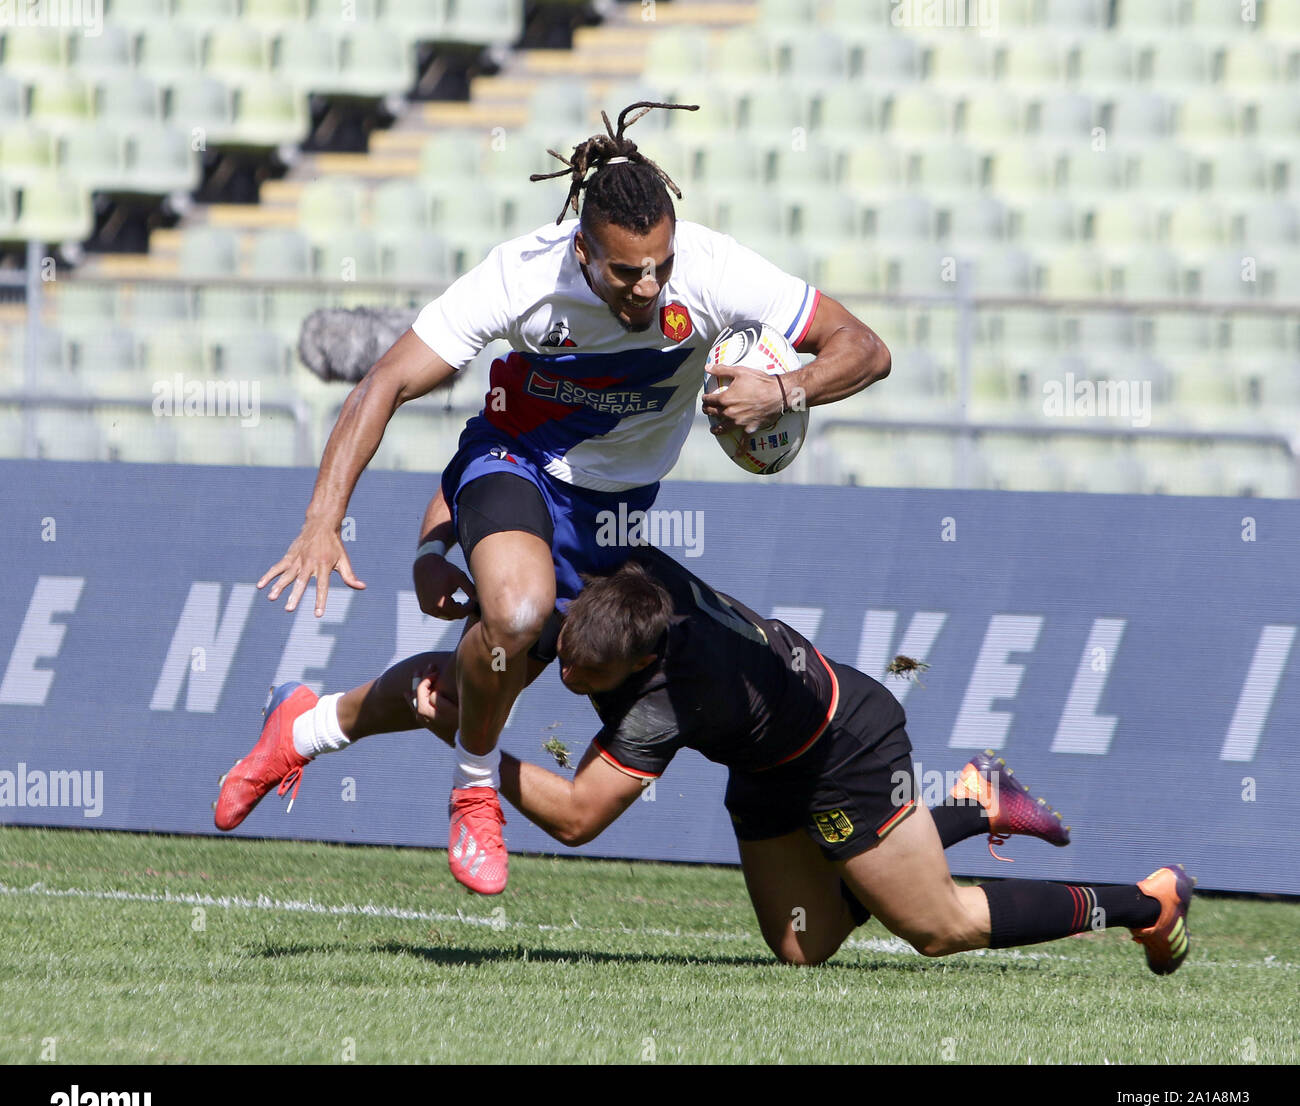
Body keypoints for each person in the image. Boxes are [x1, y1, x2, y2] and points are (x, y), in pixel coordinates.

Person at [249, 101, 892, 895]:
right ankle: (475, 792)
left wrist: (785, 390)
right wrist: (323, 519)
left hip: (611, 518)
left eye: (660, 264)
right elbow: (384, 382)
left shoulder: (714, 270)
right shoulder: (522, 276)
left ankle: (303, 724)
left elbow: (866, 348)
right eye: (628, 272)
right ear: (583, 251)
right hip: (515, 465)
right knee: (515, 616)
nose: (650, 286)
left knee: (463, 685)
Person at [216, 546, 1192, 975]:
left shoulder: (677, 699)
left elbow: (574, 819)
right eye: (569, 657)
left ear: (642, 664)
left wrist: (468, 745)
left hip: (846, 747)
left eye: (590, 676)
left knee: (934, 927)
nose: (568, 679)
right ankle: (970, 801)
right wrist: (445, 548)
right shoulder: (627, 575)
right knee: (805, 950)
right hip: (765, 760)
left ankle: (1147, 903)